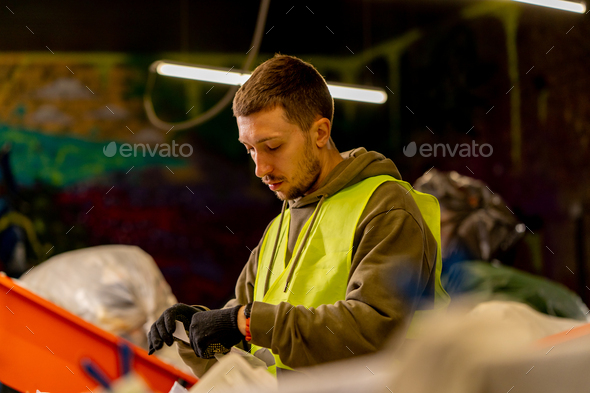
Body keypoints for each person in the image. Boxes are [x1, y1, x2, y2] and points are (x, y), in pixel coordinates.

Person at [148, 54, 449, 377]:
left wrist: (244, 321)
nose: (260, 168)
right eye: (250, 149)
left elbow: (374, 330)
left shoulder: (386, 207)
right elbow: (246, 354)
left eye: (273, 146)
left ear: (320, 132)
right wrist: (195, 333)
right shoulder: (277, 231)